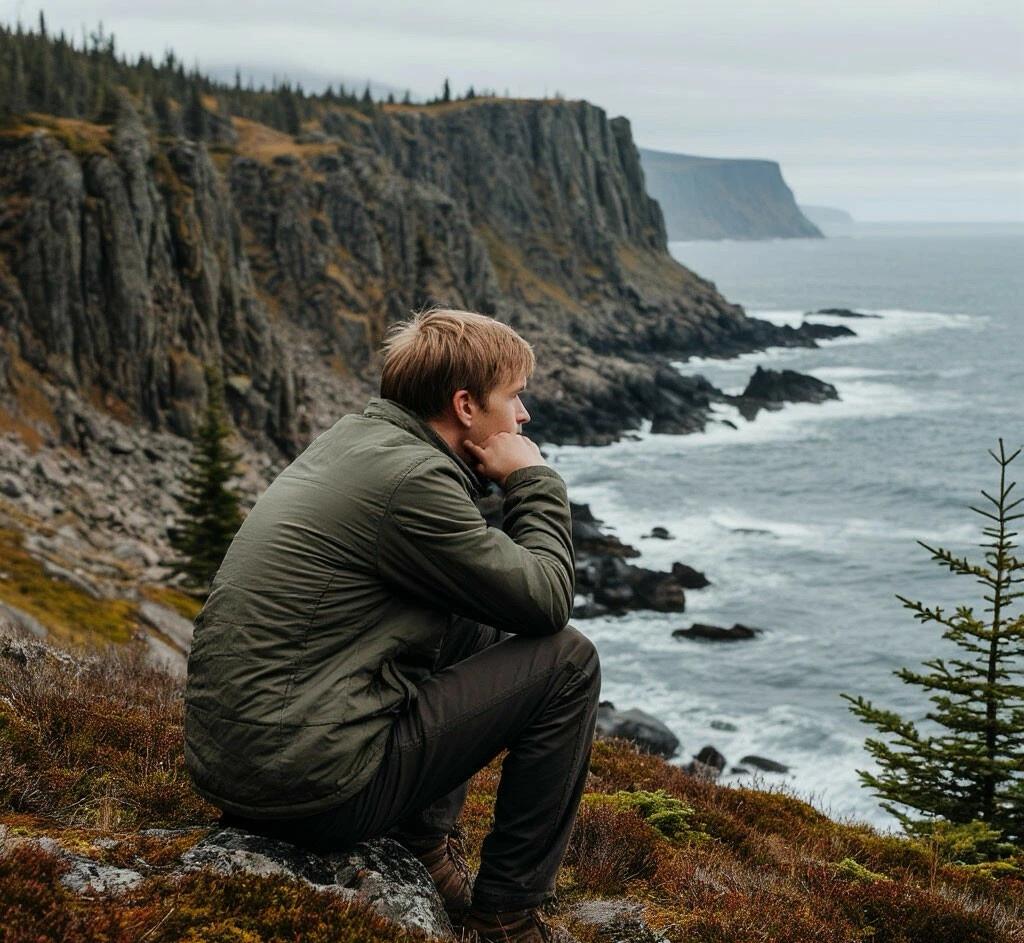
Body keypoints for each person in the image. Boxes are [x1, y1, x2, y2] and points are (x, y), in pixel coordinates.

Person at [184, 307, 601, 943]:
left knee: (480, 617)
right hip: (313, 788)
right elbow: (547, 601)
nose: (524, 417)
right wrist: (533, 480)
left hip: (251, 769)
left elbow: (497, 591)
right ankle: (507, 919)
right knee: (568, 661)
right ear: (465, 405)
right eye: (514, 398)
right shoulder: (411, 479)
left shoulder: (359, 444)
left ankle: (425, 849)